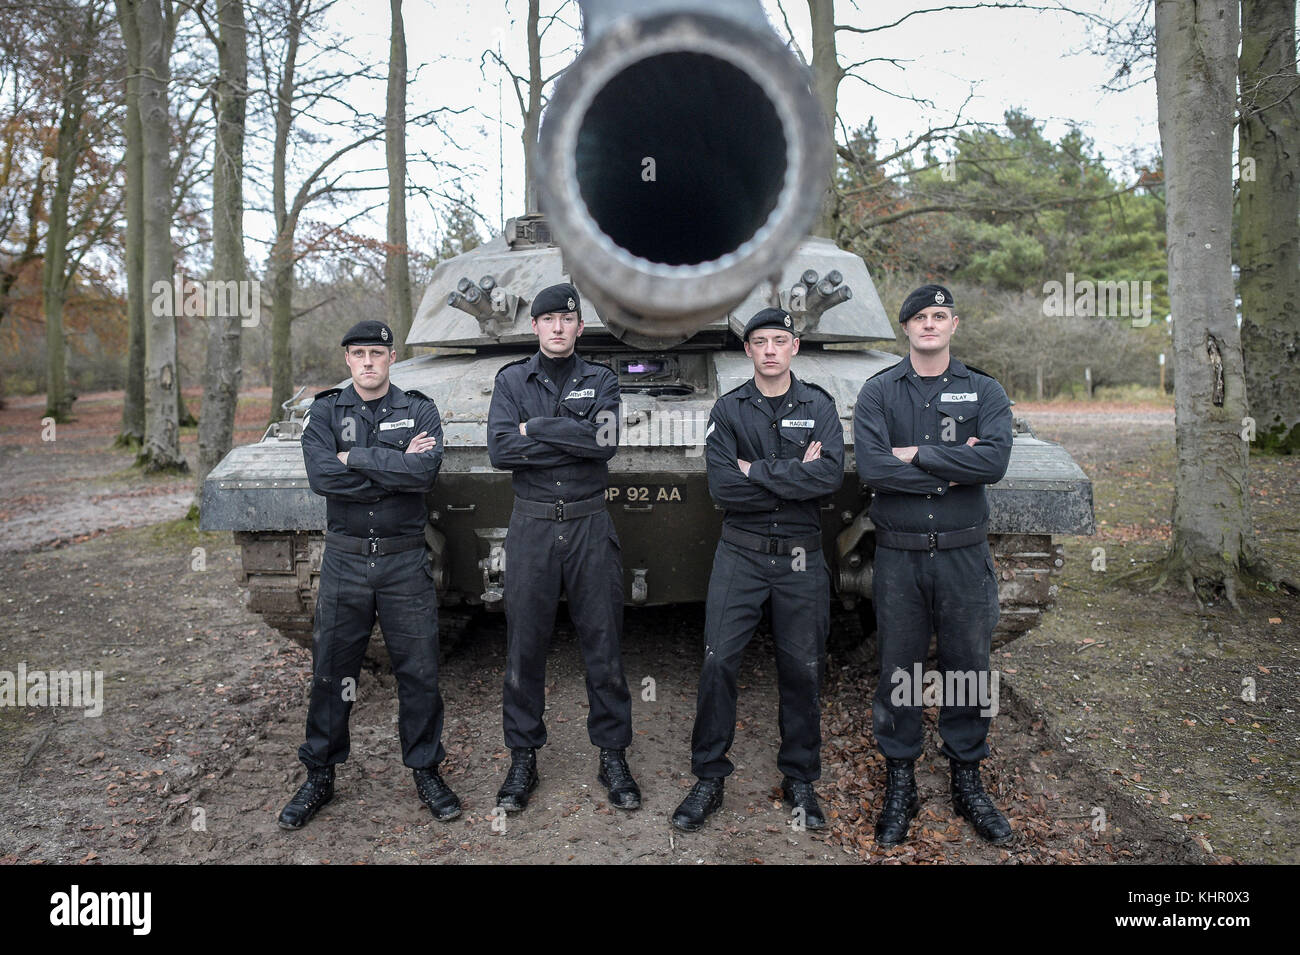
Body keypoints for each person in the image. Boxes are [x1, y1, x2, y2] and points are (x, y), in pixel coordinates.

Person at [278, 319, 460, 830]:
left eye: (376, 353)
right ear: (347, 360)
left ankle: (425, 770)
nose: (367, 362)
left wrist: (352, 457)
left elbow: (423, 475)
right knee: (333, 673)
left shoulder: (418, 407)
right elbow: (321, 477)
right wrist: (393, 464)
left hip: (405, 559)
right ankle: (319, 775)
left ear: (392, 357)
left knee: (419, 671)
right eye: (358, 353)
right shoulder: (325, 410)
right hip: (346, 559)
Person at [853, 284, 1014, 847]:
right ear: (906, 327)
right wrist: (956, 465)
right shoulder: (879, 393)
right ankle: (901, 778)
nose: (929, 324)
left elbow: (993, 461)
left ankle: (966, 777)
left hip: (963, 554)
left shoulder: (985, 389)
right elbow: (872, 468)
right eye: (919, 316)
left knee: (967, 664)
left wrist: (919, 455)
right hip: (899, 556)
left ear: (954, 325)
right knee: (900, 667)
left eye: (939, 316)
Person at [671, 307, 843, 832]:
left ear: (795, 347)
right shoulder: (728, 410)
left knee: (803, 668)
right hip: (741, 553)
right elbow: (723, 488)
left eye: (780, 341)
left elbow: (830, 478)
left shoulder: (819, 405)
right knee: (718, 661)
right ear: (748, 350)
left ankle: (799, 778)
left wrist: (757, 469)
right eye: (760, 341)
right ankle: (709, 775)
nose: (770, 350)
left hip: (799, 555)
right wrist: (796, 471)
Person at [486, 282, 640, 813]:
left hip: (588, 526)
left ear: (579, 326)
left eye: (566, 319)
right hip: (530, 528)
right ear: (535, 326)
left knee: (604, 643)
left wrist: (537, 427)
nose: (557, 327)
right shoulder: (511, 379)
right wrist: (567, 434)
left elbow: (605, 442)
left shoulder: (601, 378)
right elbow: (500, 450)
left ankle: (613, 754)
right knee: (524, 645)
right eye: (547, 319)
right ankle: (523, 757)